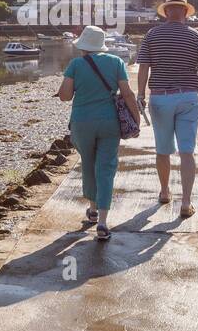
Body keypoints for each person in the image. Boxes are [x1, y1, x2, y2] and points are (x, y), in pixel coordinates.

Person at [136, 0, 198, 219]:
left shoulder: (152, 35)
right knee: (186, 152)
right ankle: (186, 203)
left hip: (160, 98)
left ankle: (164, 192)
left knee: (162, 150)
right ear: (184, 12)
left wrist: (141, 94)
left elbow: (143, 68)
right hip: (188, 98)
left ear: (166, 12)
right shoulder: (195, 37)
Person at [57, 25, 141, 240]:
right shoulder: (116, 62)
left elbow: (65, 96)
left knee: (88, 162)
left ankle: (92, 209)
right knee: (106, 167)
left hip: (82, 122)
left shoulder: (75, 64)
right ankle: (102, 222)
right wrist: (136, 118)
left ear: (83, 46)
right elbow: (128, 94)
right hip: (109, 122)